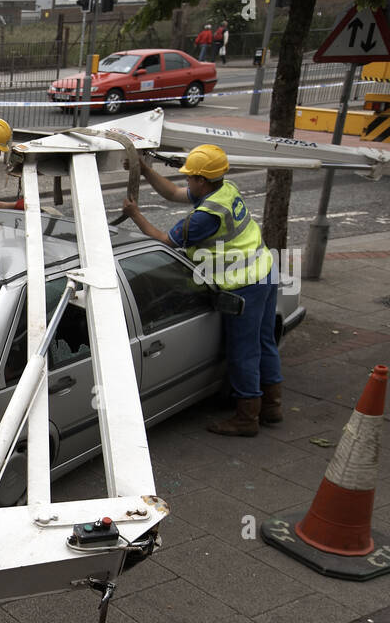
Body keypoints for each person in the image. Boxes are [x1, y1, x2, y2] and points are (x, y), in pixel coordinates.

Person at [121, 144, 283, 436]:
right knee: (264, 341)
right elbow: (173, 194)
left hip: (243, 286)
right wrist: (145, 170)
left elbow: (161, 239)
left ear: (202, 180)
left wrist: (134, 213)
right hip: (265, 271)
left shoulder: (205, 217)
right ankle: (272, 407)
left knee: (243, 353)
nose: (187, 181)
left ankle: (247, 418)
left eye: (190, 177)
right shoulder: (225, 189)